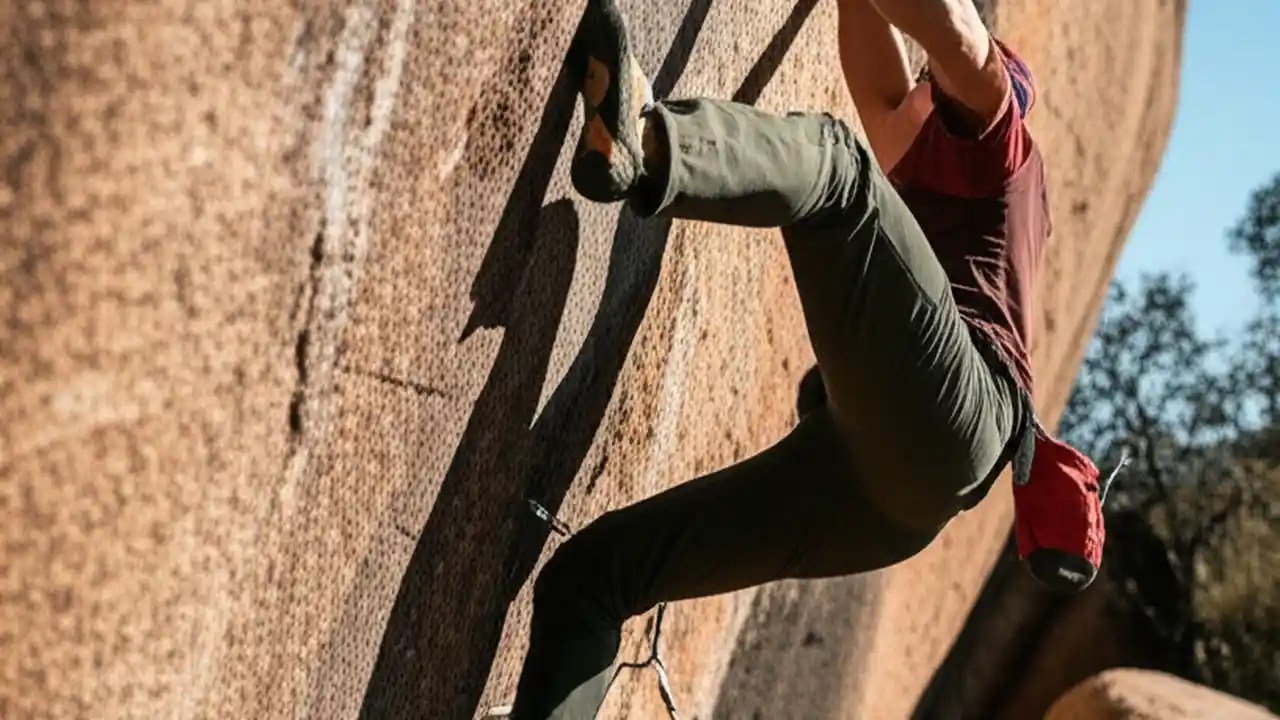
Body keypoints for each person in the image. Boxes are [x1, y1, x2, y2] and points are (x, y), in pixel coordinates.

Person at [510, 0, 1107, 717]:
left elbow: (952, 31)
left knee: (838, 165)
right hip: (892, 508)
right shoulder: (930, 163)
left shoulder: (996, 130)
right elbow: (879, 70)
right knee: (595, 579)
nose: (918, 80)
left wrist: (953, 53)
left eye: (930, 78)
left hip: (964, 412)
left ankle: (647, 140)